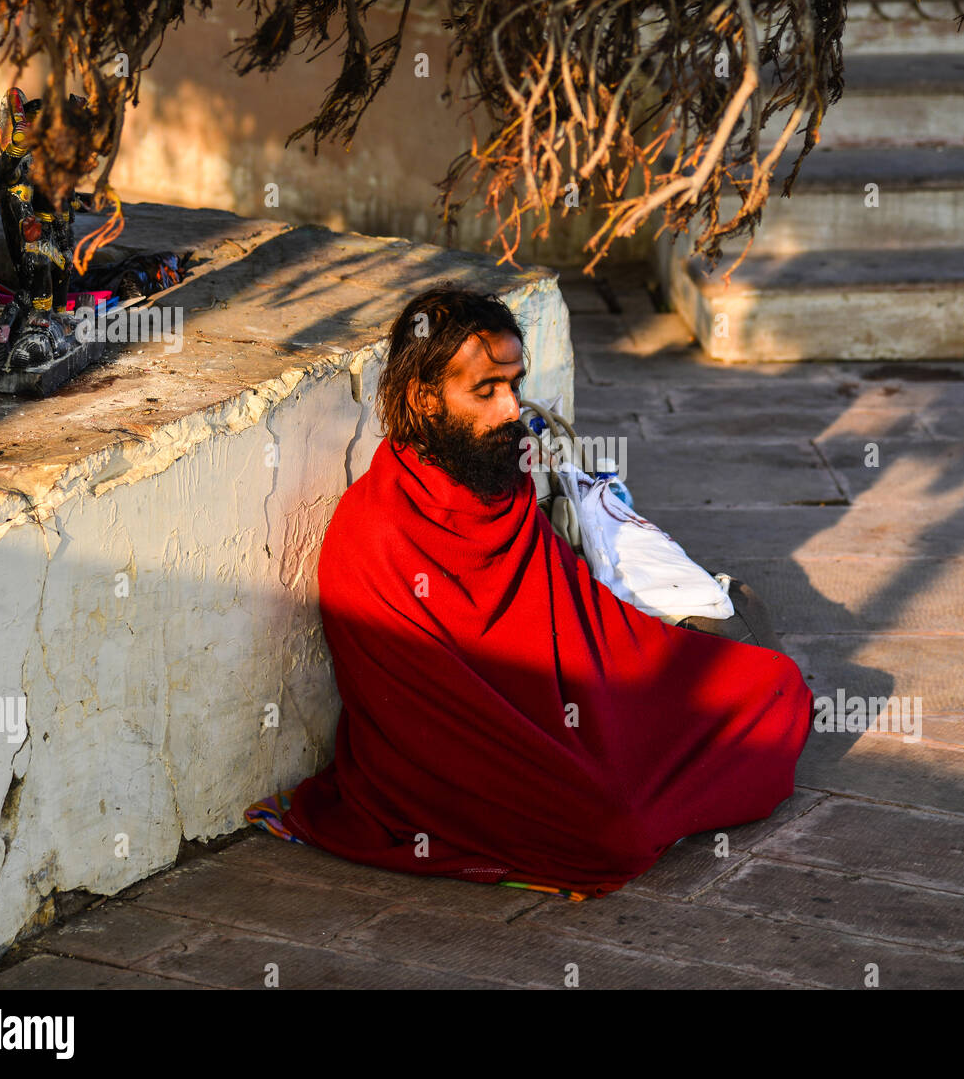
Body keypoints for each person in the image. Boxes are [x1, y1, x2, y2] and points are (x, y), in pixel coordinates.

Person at [249, 286, 815, 899]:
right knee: (611, 834)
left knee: (772, 687)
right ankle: (631, 795)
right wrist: (560, 767)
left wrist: (618, 704)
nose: (511, 409)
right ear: (424, 397)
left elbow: (581, 623)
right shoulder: (377, 533)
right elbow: (424, 721)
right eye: (486, 391)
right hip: (461, 758)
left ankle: (644, 774)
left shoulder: (506, 479)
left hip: (568, 704)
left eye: (514, 385)